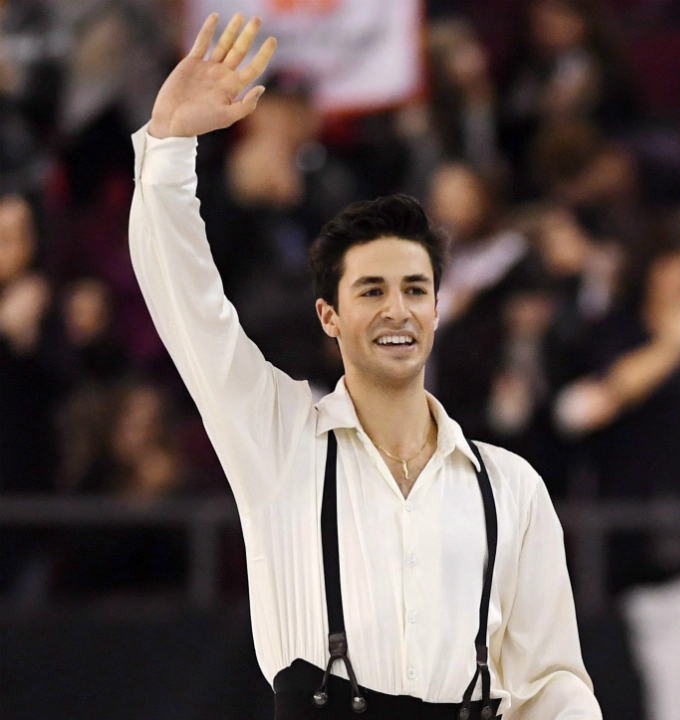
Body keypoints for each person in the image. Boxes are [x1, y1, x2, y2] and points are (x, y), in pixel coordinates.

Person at [130, 14, 601, 720]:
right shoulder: (280, 442)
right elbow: (191, 311)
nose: (397, 311)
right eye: (372, 291)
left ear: (438, 309)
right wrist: (169, 145)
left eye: (414, 290)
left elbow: (555, 685)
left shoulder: (511, 488)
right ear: (329, 317)